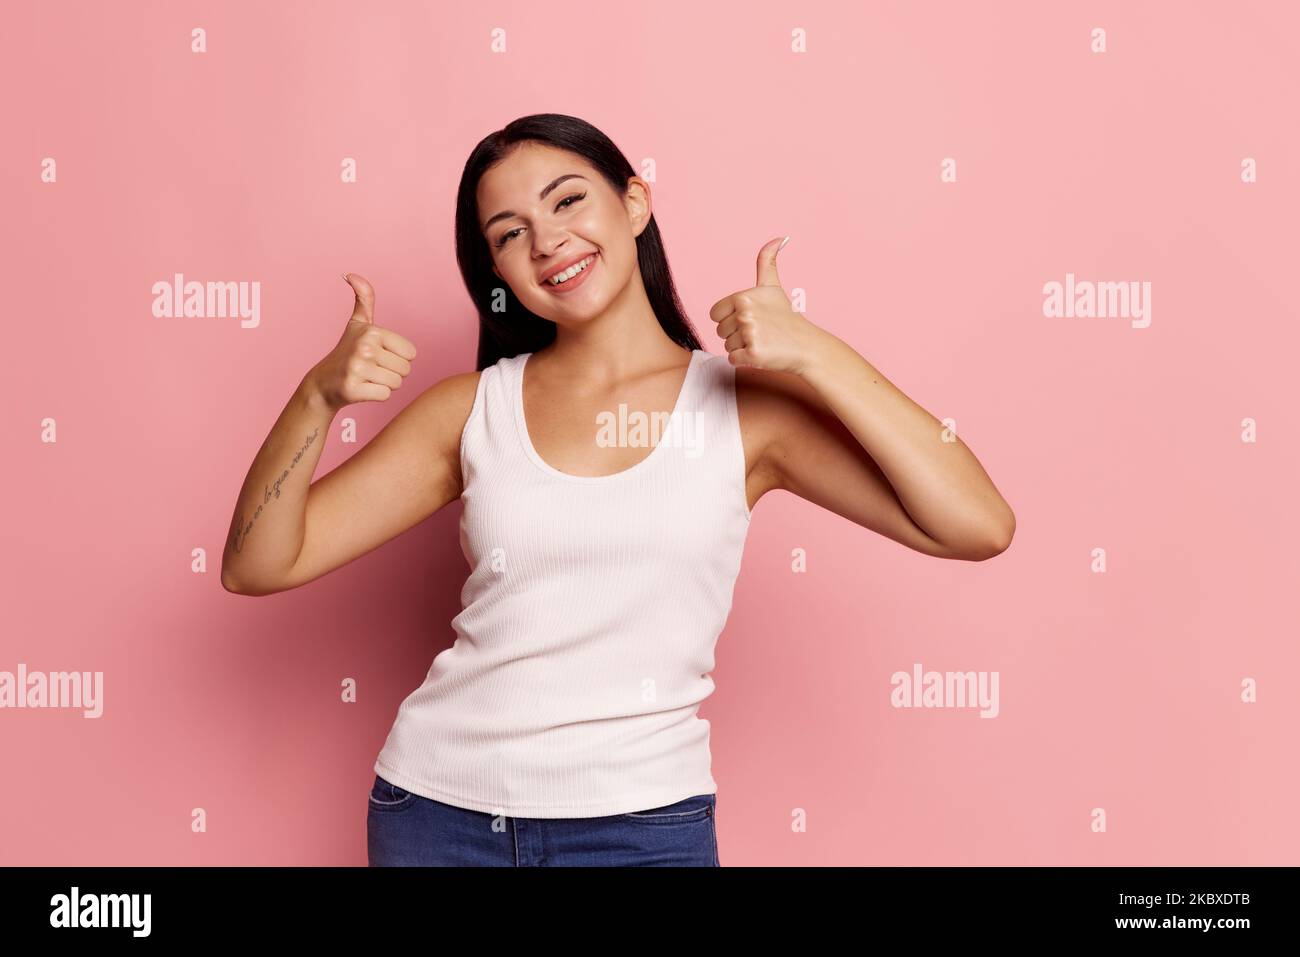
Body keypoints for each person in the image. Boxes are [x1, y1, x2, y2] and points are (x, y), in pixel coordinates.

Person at [220, 113, 1016, 867]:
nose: (547, 241)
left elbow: (976, 523)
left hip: (643, 829)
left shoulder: (747, 411)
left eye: (568, 199)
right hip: (439, 813)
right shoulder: (470, 410)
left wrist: (815, 353)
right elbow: (258, 563)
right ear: (496, 271)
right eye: (510, 234)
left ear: (634, 202)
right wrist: (316, 399)